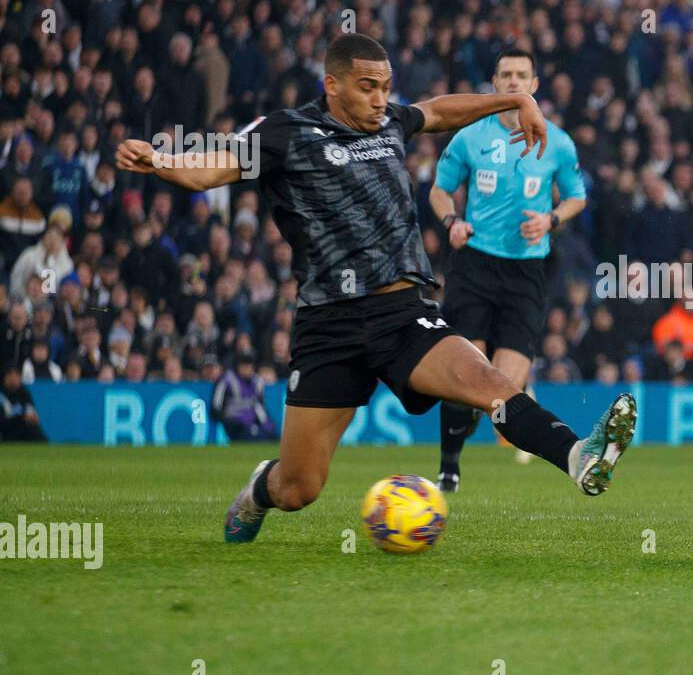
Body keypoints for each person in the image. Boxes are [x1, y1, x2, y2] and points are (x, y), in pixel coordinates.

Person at [115, 33, 636, 545]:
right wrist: (161, 161)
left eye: (386, 87)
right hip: (328, 324)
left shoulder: (388, 121)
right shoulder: (286, 133)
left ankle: (579, 456)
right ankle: (257, 491)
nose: (381, 99)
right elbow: (215, 168)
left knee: (489, 382)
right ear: (333, 84)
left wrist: (514, 99)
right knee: (299, 488)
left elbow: (438, 112)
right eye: (368, 87)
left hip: (403, 312)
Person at [428, 49, 587, 491]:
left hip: (526, 274)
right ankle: (449, 465)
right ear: (494, 84)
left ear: (535, 84)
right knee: (463, 370)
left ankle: (472, 429)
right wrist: (450, 222)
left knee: (504, 383)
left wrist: (552, 219)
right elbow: (439, 192)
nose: (514, 82)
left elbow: (577, 195)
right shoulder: (469, 137)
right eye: (506, 75)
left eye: (522, 75)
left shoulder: (557, 141)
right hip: (474, 265)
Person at [213, 350, 277, 441]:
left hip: (251, 422)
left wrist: (267, 424)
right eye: (244, 364)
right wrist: (223, 420)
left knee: (267, 435)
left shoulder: (258, 382)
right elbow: (216, 405)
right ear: (238, 365)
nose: (246, 367)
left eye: (249, 364)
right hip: (233, 423)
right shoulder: (228, 379)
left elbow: (259, 407)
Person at [0, 365, 47, 441]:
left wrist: (32, 416)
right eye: (10, 374)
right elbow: (2, 422)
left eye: (16, 375)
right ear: (5, 377)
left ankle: (43, 445)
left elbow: (30, 408)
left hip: (23, 428)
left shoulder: (23, 392)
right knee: (26, 425)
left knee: (31, 426)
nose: (14, 378)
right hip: (7, 432)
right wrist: (21, 417)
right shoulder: (1, 395)